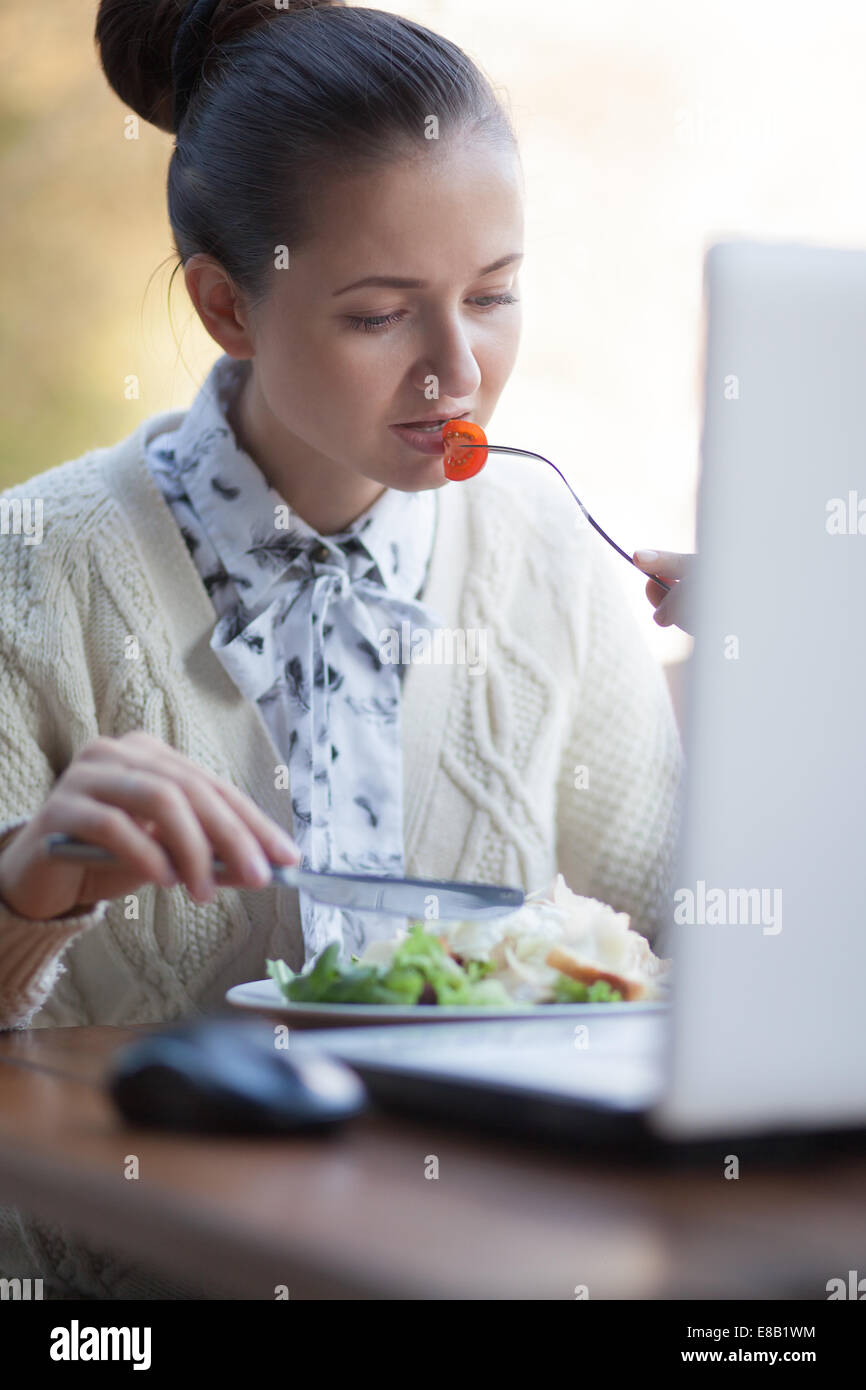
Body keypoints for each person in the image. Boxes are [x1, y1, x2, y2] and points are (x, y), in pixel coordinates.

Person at [0, 0, 682, 1297]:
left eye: (492, 296)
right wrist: (28, 888)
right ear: (226, 306)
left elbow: (689, 961)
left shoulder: (548, 550)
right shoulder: (30, 569)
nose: (457, 372)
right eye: (380, 315)